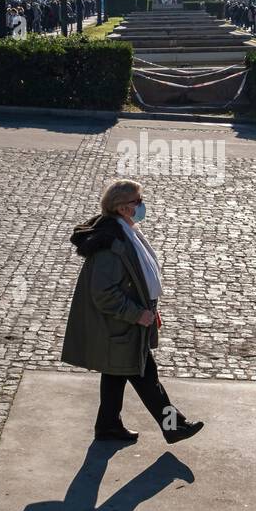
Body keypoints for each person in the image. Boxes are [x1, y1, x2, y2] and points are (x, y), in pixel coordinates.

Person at [61, 180, 204, 444]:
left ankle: (107, 426)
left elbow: (138, 279)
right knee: (147, 379)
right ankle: (173, 426)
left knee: (115, 375)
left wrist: (150, 309)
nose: (143, 205)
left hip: (124, 327)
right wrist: (138, 314)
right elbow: (104, 293)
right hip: (121, 328)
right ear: (123, 208)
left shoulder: (126, 231)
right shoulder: (112, 246)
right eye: (138, 201)